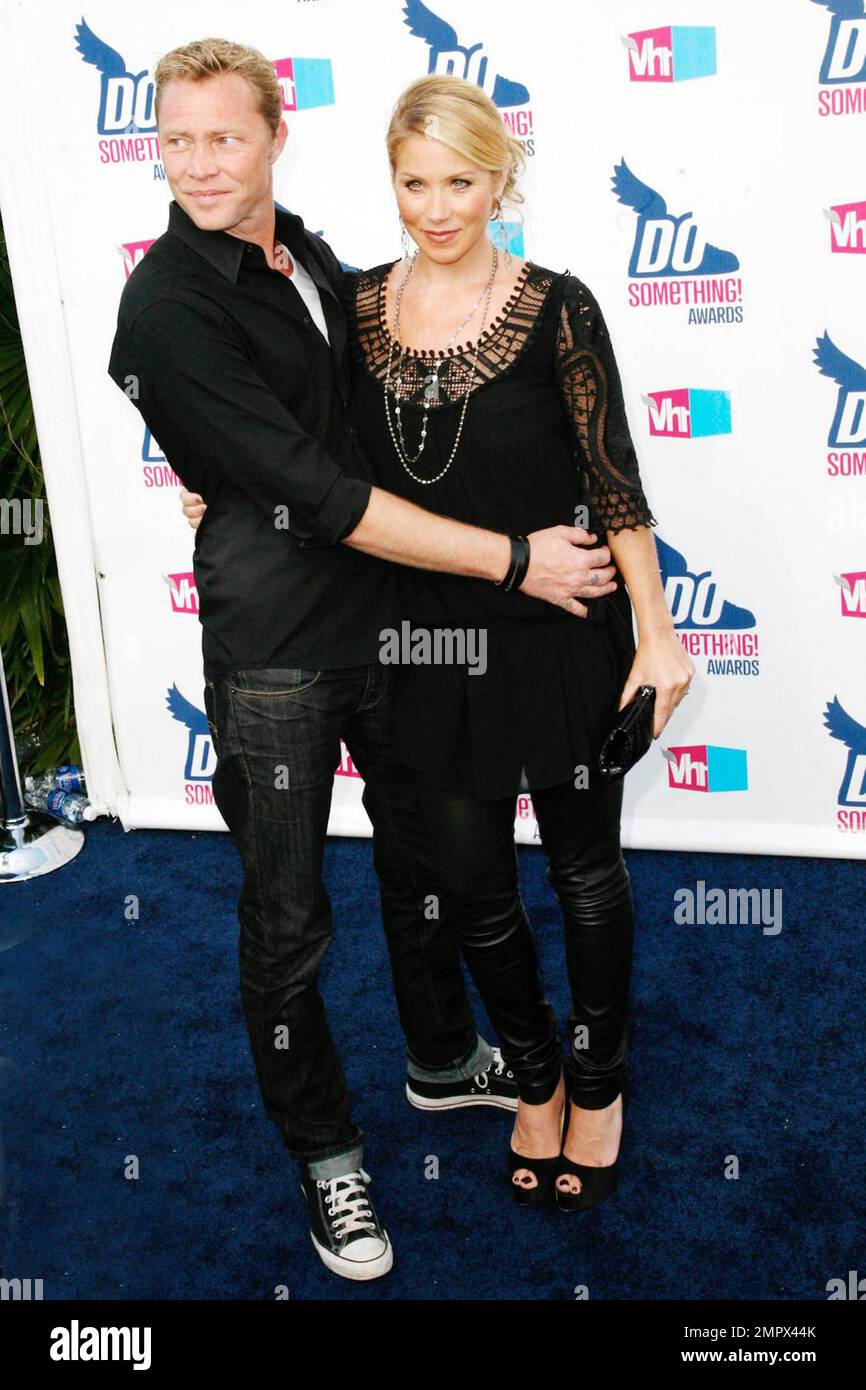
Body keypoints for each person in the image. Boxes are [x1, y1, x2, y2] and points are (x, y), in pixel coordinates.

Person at [109, 40, 611, 1281]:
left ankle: (441, 1059)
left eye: (222, 136)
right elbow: (322, 491)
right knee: (288, 924)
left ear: (276, 135)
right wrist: (509, 559)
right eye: (174, 140)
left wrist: (214, 482)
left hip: (389, 628)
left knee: (425, 865)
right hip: (279, 655)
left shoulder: (317, 260)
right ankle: (327, 1157)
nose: (197, 164)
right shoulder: (164, 302)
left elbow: (356, 430)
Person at [185, 74, 695, 1211]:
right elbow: (301, 452)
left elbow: (616, 483)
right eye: (413, 182)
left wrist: (654, 638)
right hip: (418, 642)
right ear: (391, 183)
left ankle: (598, 1082)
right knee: (468, 888)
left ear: (499, 177)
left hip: (560, 622)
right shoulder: (356, 308)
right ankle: (532, 1070)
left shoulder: (557, 307)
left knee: (581, 873)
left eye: (458, 180)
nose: (435, 205)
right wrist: (218, 493)